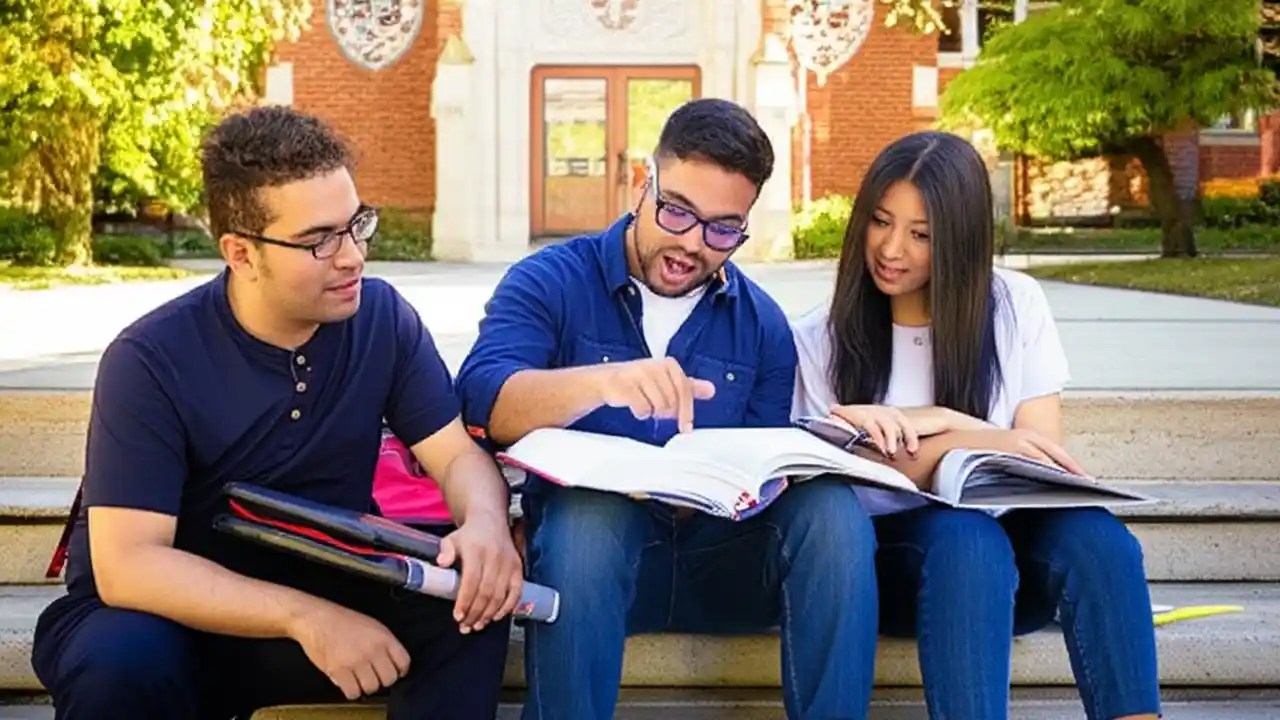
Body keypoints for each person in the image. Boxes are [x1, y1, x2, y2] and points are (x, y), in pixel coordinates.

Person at [30, 106, 523, 720]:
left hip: (324, 576)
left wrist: (485, 525)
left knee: (470, 607)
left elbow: (453, 455)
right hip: (166, 617)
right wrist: (306, 617)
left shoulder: (381, 320)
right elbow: (130, 566)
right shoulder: (150, 359)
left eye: (357, 225)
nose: (352, 256)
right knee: (121, 662)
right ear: (240, 253)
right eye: (319, 240)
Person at [455, 98, 879, 720]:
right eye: (676, 211)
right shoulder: (550, 281)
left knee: (834, 512)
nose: (691, 243)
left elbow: (765, 467)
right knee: (588, 517)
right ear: (641, 183)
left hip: (722, 563)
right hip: (593, 568)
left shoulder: (762, 324)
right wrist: (602, 384)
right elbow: (482, 399)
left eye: (722, 229)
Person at [790, 130, 1161, 720]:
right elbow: (854, 470)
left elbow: (1036, 458)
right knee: (967, 539)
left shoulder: (1015, 305)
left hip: (1009, 572)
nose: (891, 248)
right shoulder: (820, 339)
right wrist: (978, 435)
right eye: (881, 222)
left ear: (960, 239)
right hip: (896, 572)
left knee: (1101, 540)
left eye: (921, 235)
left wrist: (938, 423)